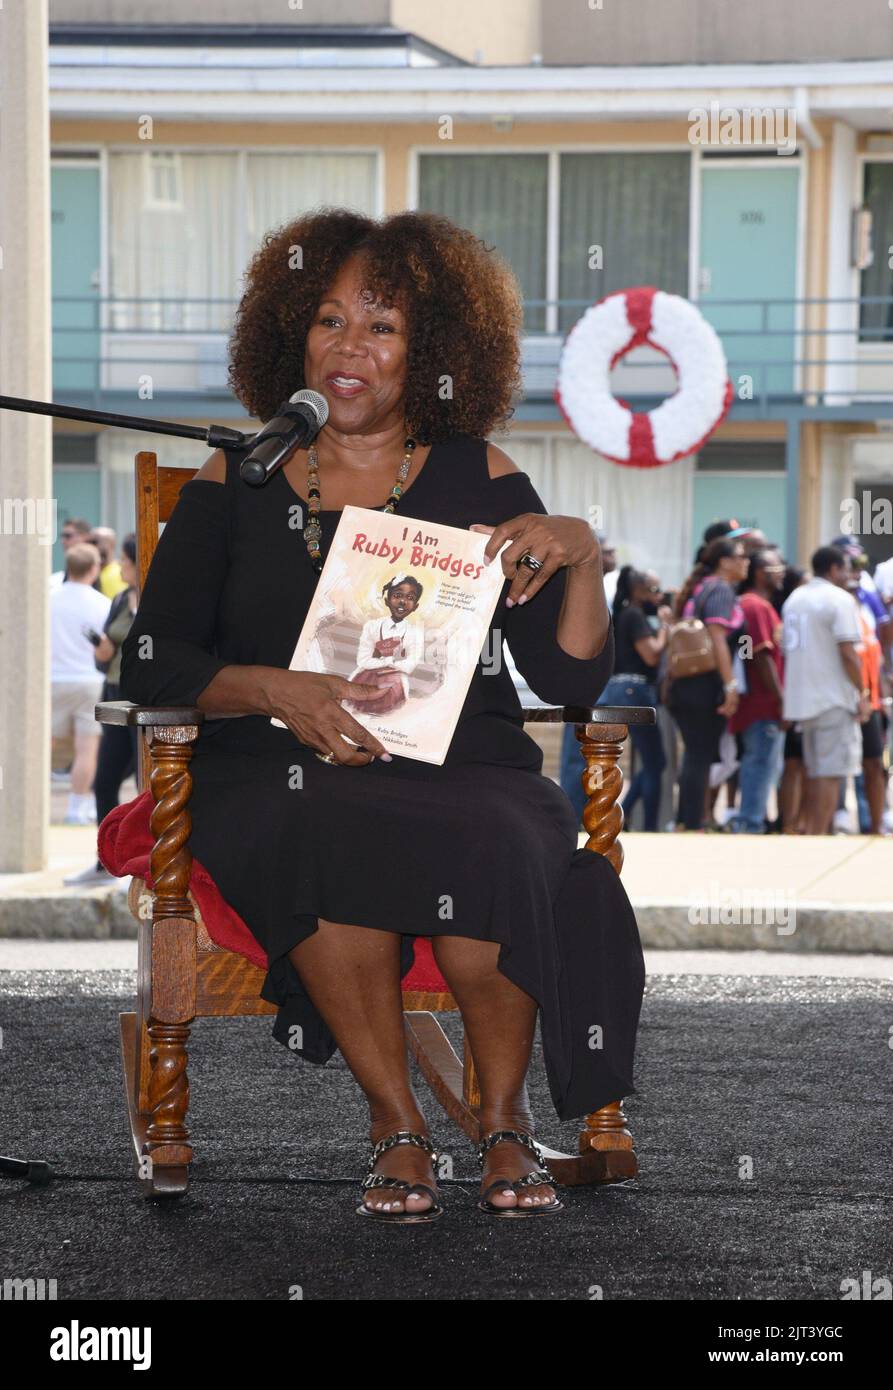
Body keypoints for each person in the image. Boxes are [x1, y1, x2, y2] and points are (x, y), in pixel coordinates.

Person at [118, 208, 645, 1223]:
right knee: (316, 814)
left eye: (382, 326)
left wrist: (580, 557)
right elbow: (154, 658)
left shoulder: (476, 475)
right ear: (291, 337)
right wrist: (278, 688)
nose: (348, 345)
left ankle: (500, 1121)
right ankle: (396, 1125)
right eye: (327, 320)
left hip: (461, 763)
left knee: (500, 831)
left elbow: (567, 676)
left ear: (433, 353)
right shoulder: (239, 474)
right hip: (277, 763)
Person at [64, 535, 139, 886]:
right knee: (105, 781)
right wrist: (103, 651)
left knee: (145, 782)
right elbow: (106, 650)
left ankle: (145, 864)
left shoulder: (156, 600)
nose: (120, 567)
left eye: (124, 561)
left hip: (143, 701)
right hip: (114, 696)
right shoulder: (121, 598)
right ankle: (107, 861)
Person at [781, 546, 867, 836]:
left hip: (801, 700)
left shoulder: (795, 598)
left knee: (816, 772)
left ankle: (815, 833)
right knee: (831, 775)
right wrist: (863, 691)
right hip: (832, 698)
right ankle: (819, 837)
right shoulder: (839, 600)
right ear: (833, 569)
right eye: (844, 568)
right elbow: (848, 653)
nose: (848, 575)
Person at [667, 537, 748, 830]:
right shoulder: (720, 589)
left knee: (694, 753)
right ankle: (691, 822)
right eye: (741, 556)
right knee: (699, 754)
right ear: (724, 562)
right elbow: (717, 638)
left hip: (687, 684)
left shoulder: (702, 588)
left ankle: (684, 820)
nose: (746, 561)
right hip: (703, 684)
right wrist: (730, 685)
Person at [594, 566, 670, 832]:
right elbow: (651, 655)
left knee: (652, 760)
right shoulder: (634, 615)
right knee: (655, 761)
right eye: (654, 590)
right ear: (640, 590)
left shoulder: (624, 613)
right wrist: (665, 628)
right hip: (634, 690)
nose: (659, 596)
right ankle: (646, 824)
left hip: (622, 690)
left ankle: (624, 816)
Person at [50, 542, 111, 824]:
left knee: (44, 745)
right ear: (93, 568)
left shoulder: (49, 598)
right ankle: (76, 807)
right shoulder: (101, 603)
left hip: (51, 677)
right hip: (88, 679)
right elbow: (105, 647)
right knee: (87, 747)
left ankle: (31, 803)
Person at [728, 548, 785, 833]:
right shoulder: (756, 606)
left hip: (752, 700)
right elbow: (760, 656)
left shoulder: (748, 603)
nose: (782, 573)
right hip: (761, 702)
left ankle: (751, 819)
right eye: (777, 569)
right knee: (759, 762)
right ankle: (750, 822)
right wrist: (781, 699)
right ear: (761, 573)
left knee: (757, 762)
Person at [344, 574, 425, 715]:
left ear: (415, 606)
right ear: (387, 600)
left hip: (394, 686)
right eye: (398, 595)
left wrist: (380, 656)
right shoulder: (372, 626)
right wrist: (394, 660)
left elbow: (410, 664)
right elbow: (363, 660)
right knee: (356, 712)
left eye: (410, 598)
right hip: (364, 681)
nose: (403, 601)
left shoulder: (415, 633)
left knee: (388, 715)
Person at [50, 517, 93, 591]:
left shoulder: (101, 571)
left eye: (68, 536)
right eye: (62, 536)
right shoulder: (54, 581)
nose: (63, 541)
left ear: (84, 537)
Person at [88, 527, 129, 599]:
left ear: (110, 544)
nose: (90, 545)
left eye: (94, 542)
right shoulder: (94, 571)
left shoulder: (117, 573)